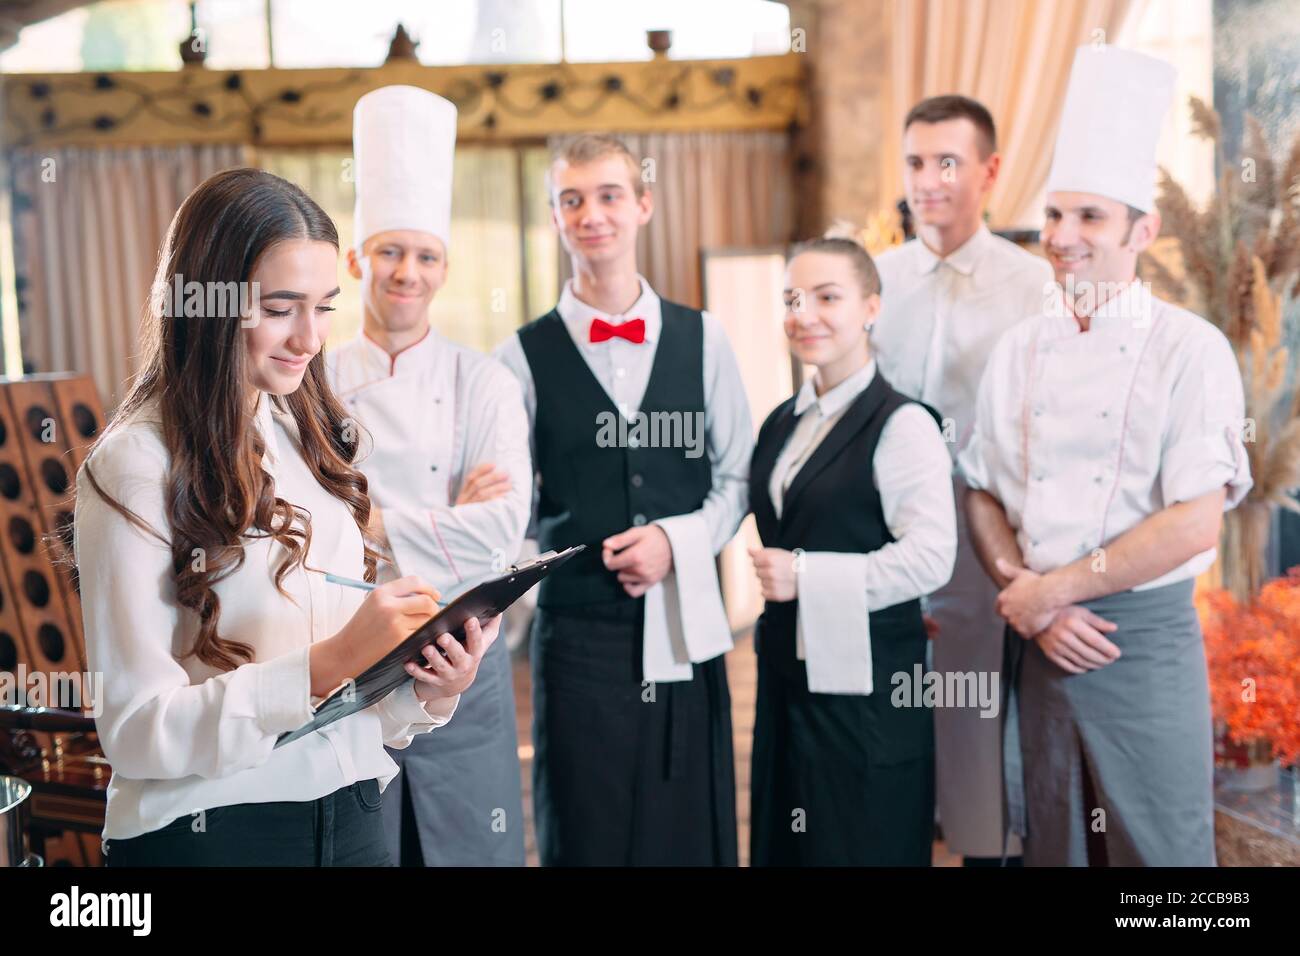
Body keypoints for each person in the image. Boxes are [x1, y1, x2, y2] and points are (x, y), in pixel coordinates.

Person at [75, 167, 498, 867]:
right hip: (213, 833)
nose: (310, 337)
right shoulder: (135, 464)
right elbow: (136, 730)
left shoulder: (314, 443)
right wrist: (328, 662)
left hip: (354, 811)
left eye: (325, 306)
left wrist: (423, 688)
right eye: (280, 307)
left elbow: (343, 708)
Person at [959, 45, 1252, 866]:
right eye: (1055, 215)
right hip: (1042, 649)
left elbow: (1197, 521)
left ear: (1142, 231)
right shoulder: (1017, 349)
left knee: (1162, 859)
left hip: (1141, 645)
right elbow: (979, 488)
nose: (1063, 237)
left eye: (1090, 217)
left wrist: (1055, 591)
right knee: (1056, 845)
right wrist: (1026, 590)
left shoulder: (1192, 351)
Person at [494, 134, 752, 865]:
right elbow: (510, 506)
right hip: (576, 634)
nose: (591, 214)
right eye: (571, 200)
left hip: (687, 613)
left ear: (643, 204)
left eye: (608, 195)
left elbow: (738, 477)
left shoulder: (705, 339)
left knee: (687, 812)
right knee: (586, 816)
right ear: (553, 218)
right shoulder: (518, 357)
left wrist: (679, 540)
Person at [327, 85, 530, 867]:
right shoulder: (311, 378)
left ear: (445, 268)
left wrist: (372, 521)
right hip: (346, 663)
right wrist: (442, 516)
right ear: (356, 261)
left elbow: (501, 533)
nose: (406, 272)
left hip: (464, 665)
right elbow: (296, 525)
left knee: (471, 851)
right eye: (389, 251)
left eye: (425, 255)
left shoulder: (485, 383)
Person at [872, 94, 1053, 865]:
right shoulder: (873, 280)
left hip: (984, 543)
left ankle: (989, 852)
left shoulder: (1032, 285)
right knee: (885, 719)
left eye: (947, 162)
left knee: (973, 718)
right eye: (915, 162)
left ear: (990, 171)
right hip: (882, 541)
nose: (928, 181)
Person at [748, 232, 956, 865]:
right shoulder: (782, 421)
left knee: (861, 840)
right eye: (791, 299)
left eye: (826, 296)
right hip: (789, 674)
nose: (803, 314)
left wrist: (806, 576)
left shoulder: (903, 425)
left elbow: (931, 557)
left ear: (870, 306)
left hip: (868, 691)